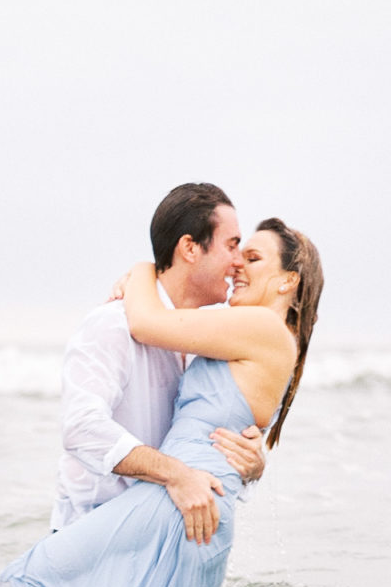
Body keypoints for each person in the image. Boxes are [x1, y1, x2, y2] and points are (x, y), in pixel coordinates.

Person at [0, 218, 323, 587]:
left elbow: (145, 322)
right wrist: (252, 467)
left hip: (180, 502)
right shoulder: (264, 336)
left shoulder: (262, 327)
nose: (237, 265)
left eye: (252, 257)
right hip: (206, 505)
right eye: (236, 251)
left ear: (289, 280)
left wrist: (143, 269)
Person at [52, 183, 266, 547]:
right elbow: (81, 429)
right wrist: (176, 476)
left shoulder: (204, 347)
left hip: (161, 540)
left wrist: (250, 464)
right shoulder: (112, 325)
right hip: (92, 539)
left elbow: (200, 442)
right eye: (231, 245)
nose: (238, 262)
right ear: (189, 248)